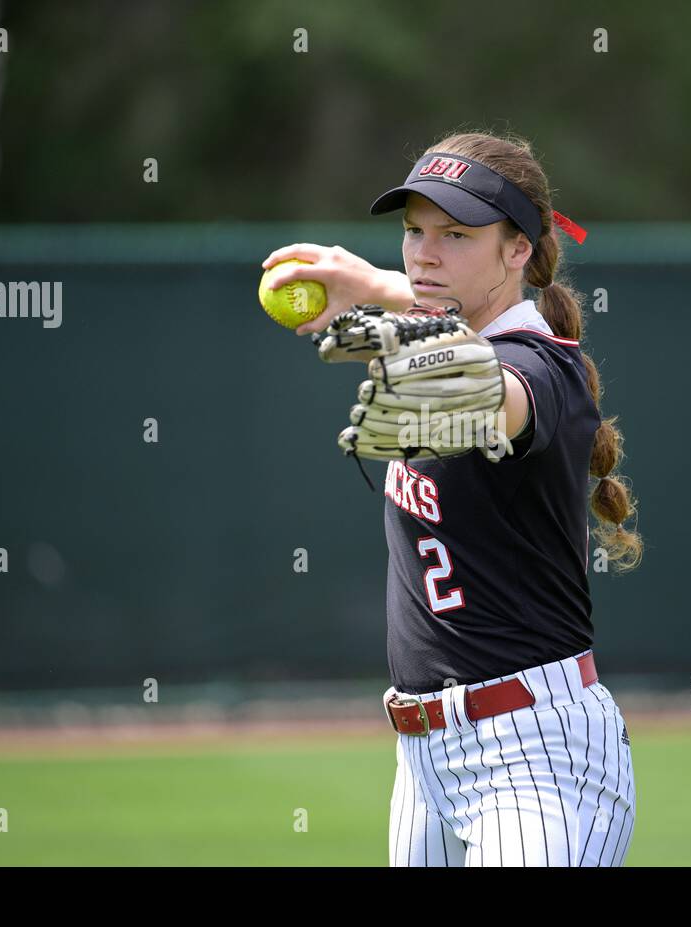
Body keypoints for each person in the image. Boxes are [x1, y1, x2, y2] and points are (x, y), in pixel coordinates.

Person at [262, 131, 643, 866]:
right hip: (421, 758)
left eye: (457, 234)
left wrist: (425, 336)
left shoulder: (544, 372)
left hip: (538, 758)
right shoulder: (440, 331)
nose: (425, 252)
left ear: (518, 251)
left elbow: (497, 388)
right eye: (414, 231)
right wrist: (377, 286)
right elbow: (454, 325)